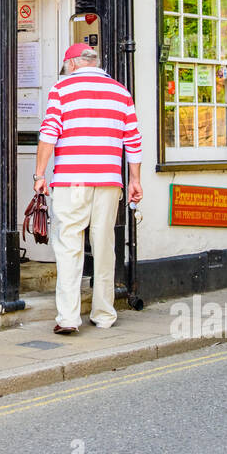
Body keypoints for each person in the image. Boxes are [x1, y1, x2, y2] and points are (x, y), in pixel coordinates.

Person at [33, 43, 143, 334]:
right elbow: (133, 141)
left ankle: (68, 318)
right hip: (108, 182)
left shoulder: (62, 89)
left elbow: (48, 135)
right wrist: (135, 180)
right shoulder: (121, 92)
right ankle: (104, 314)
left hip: (73, 181)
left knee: (70, 245)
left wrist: (39, 174)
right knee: (105, 245)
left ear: (72, 63)